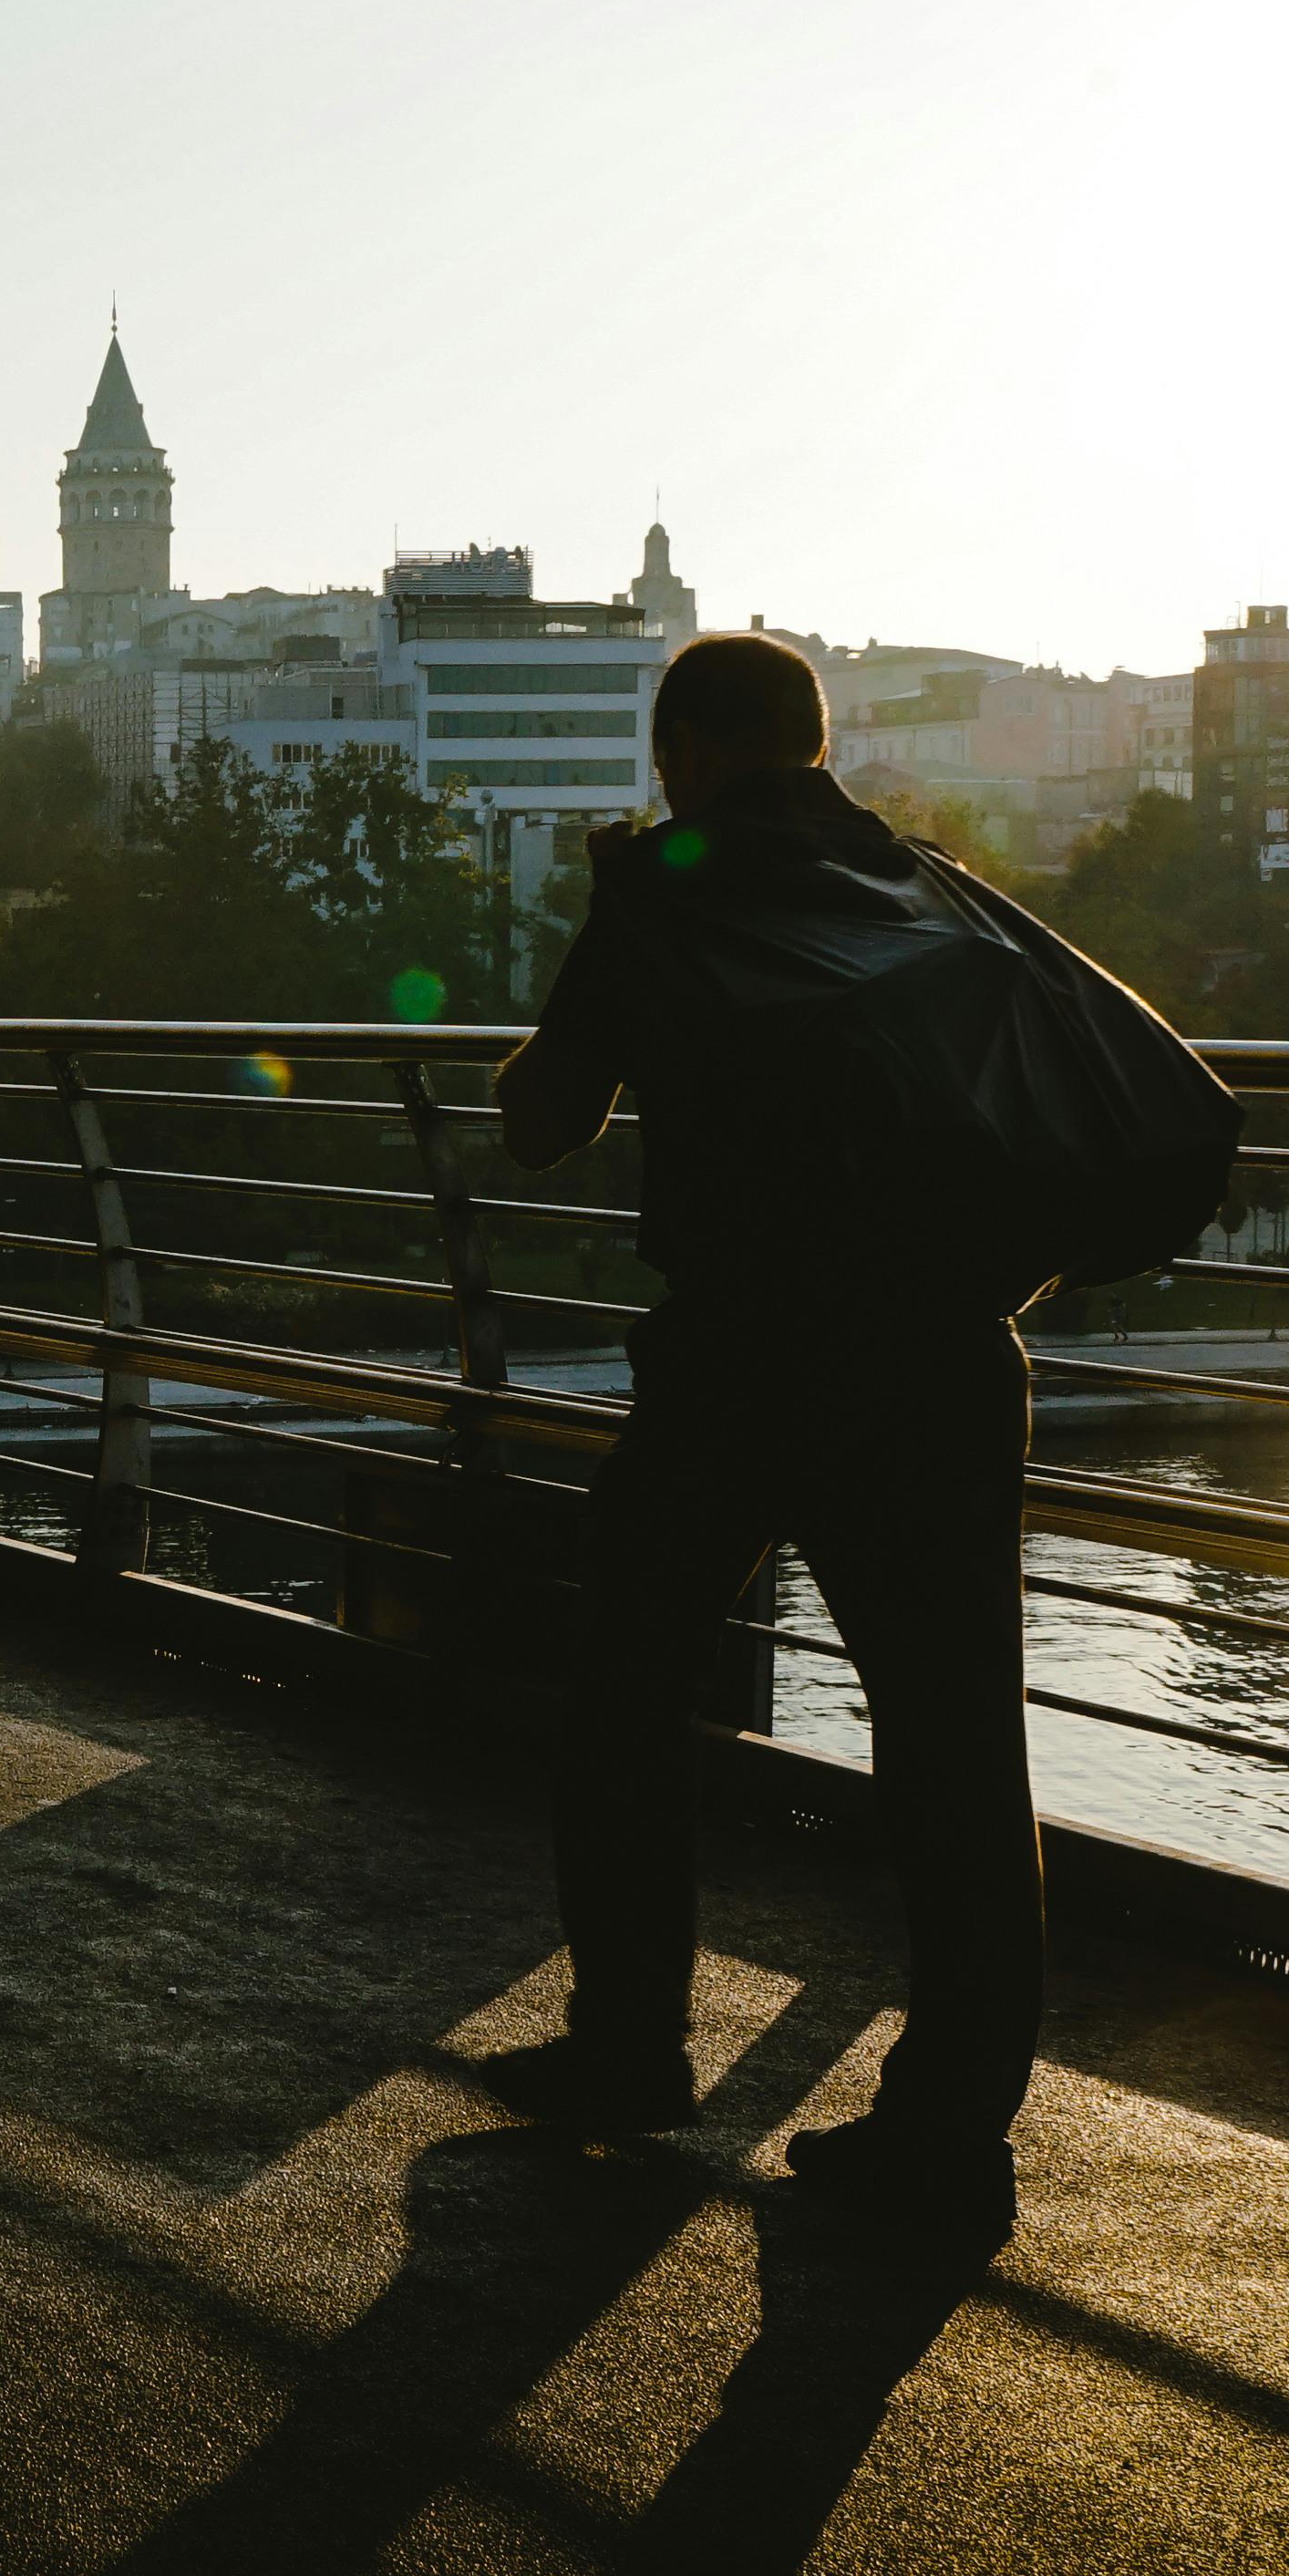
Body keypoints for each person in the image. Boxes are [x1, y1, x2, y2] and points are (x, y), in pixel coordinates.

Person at [481, 632, 1047, 2251]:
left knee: (623, 1695)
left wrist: (584, 971)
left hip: (745, 1360)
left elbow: (546, 1117)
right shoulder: (931, 886)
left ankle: (631, 2047)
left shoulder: (674, 884)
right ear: (816, 742)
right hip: (943, 1364)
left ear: (695, 758)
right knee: (954, 1754)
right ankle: (950, 2133)